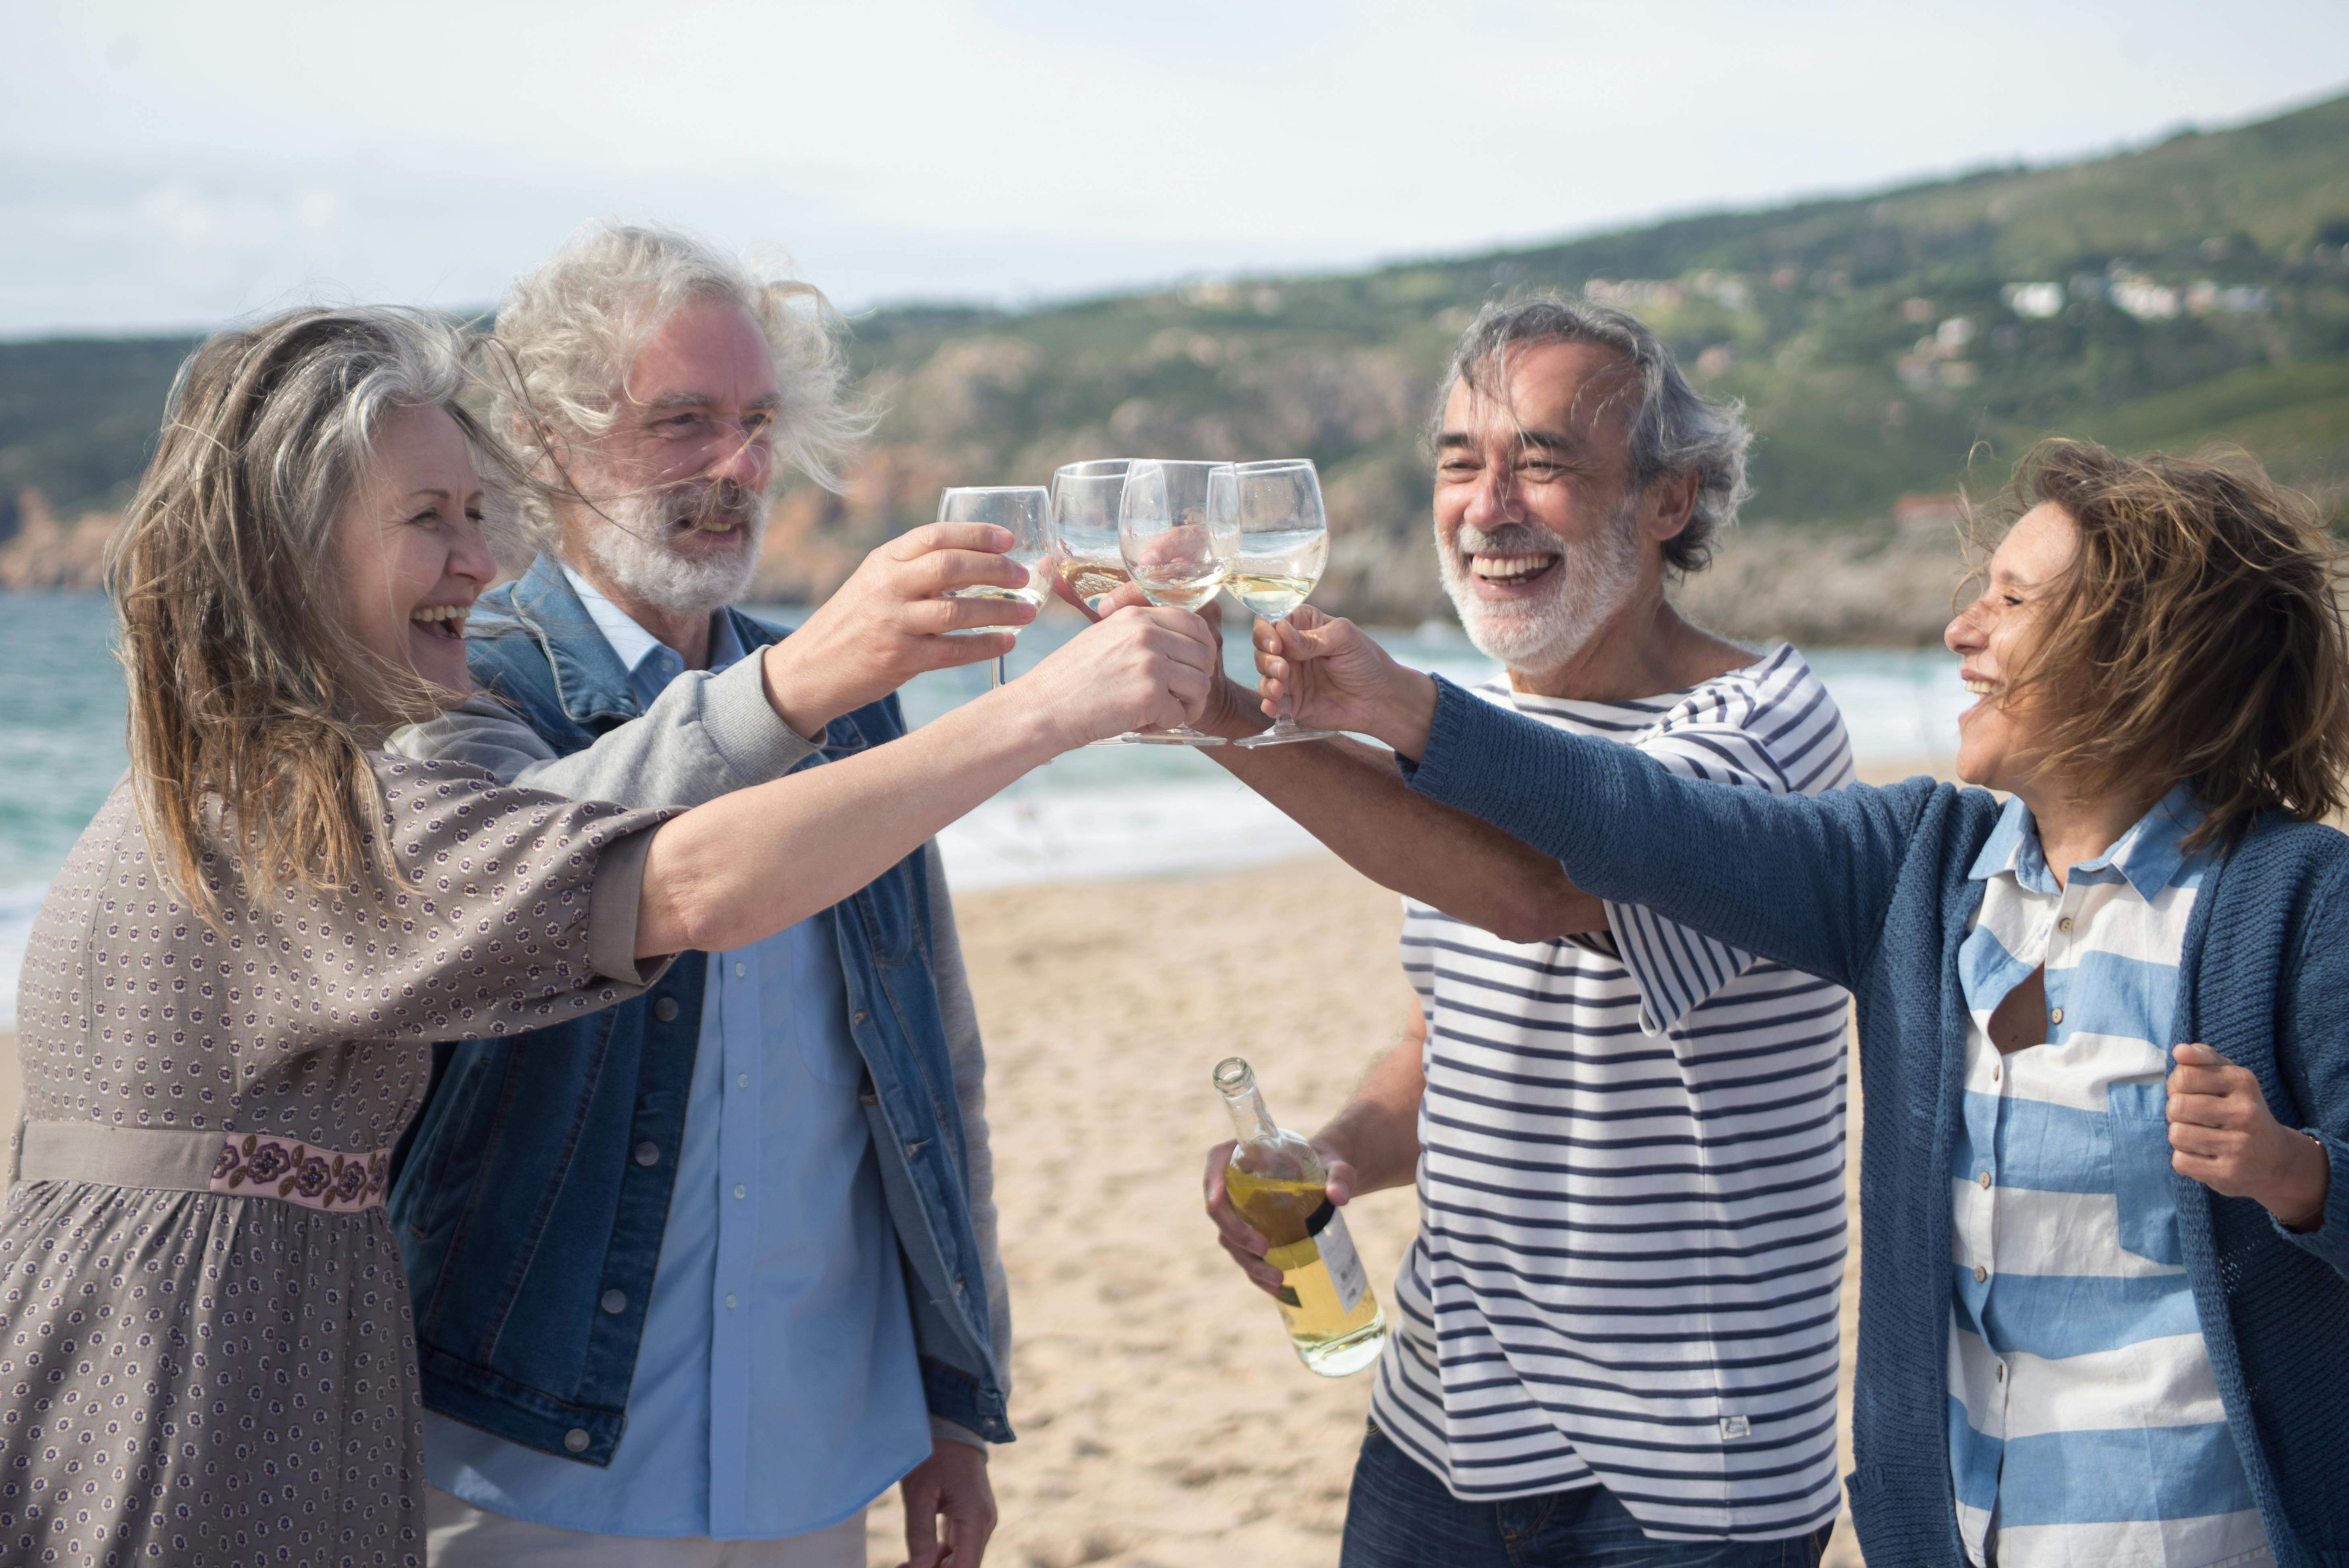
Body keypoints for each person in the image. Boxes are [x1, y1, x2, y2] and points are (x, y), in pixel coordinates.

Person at [0, 305, 1214, 1568]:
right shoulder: (292, 808)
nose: (477, 561)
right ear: (282, 557)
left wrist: (954, 1391)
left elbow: (921, 1072)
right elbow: (670, 882)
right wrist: (1043, 714)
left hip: (279, 1365)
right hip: (188, 1386)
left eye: (476, 514)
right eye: (428, 521)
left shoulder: (274, 771)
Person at [1258, 437, 2349, 1567]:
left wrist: (2297, 1176)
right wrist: (1402, 706)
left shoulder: (2297, 903)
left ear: (2146, 658)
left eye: (2011, 601)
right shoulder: (1916, 867)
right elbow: (1638, 821)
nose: (1959, 632)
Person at [380, 223, 1030, 1568]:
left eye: (756, 425)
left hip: (818, 1441)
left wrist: (955, 1404)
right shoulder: (457, 680)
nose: (738, 469)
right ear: (547, 441)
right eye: (683, 422)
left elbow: (927, 1068)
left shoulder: (850, 697)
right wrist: (807, 684)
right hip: (525, 1455)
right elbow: (528, 878)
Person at [1176, 297, 1860, 1562]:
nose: (1486, 507)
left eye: (1541, 463)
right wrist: (1332, 1159)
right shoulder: (1480, 725)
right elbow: (1457, 1036)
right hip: (1442, 1427)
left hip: (1683, 1470)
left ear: (1669, 501)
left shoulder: (1770, 726)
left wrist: (1224, 711)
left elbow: (1546, 887)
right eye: (1458, 462)